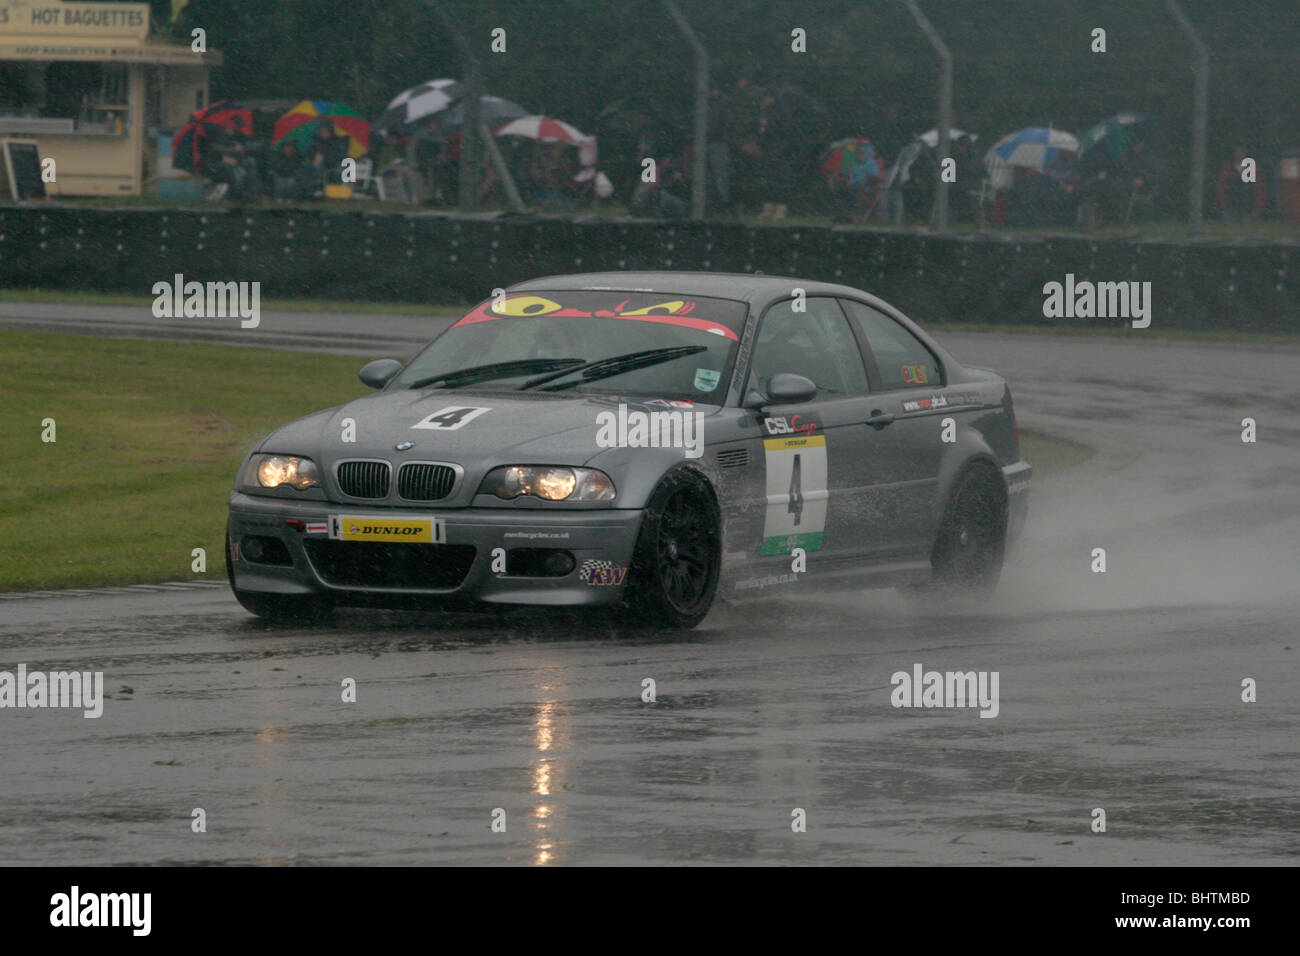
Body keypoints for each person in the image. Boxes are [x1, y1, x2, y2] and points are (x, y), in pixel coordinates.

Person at [1216, 145, 1267, 222]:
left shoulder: (1253, 168)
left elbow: (1260, 190)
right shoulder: (1227, 168)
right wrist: (1223, 206)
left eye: (1242, 151)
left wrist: (1257, 210)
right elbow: (1220, 187)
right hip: (1230, 210)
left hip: (1249, 210)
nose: (1240, 153)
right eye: (1238, 151)